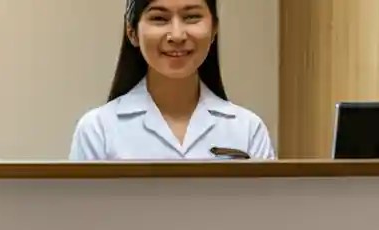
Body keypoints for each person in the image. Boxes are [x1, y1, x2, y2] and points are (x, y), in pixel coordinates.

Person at [69, 0, 275, 161]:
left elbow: (269, 212)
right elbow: (82, 214)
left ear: (214, 29)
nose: (177, 35)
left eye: (192, 17)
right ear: (132, 32)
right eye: (159, 18)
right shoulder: (97, 130)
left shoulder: (248, 129)